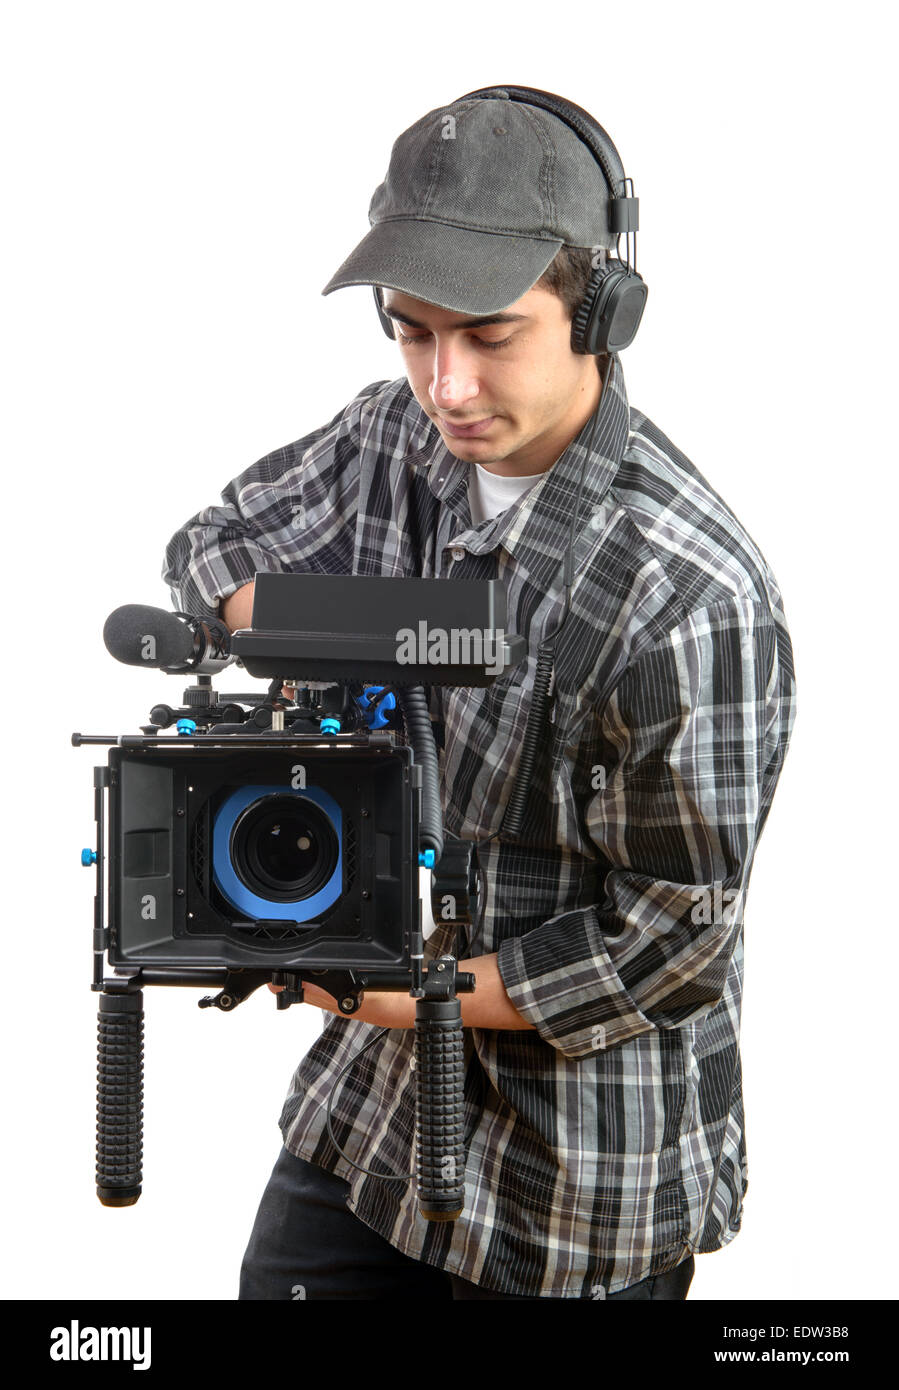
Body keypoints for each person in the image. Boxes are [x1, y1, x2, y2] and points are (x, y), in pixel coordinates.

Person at [161, 86, 797, 1300]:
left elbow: (667, 947)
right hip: (370, 1130)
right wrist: (309, 644)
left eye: (489, 335)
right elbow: (212, 545)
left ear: (599, 311)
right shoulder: (385, 441)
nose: (444, 387)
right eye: (410, 332)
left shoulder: (691, 599)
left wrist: (418, 996)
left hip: (574, 1189)